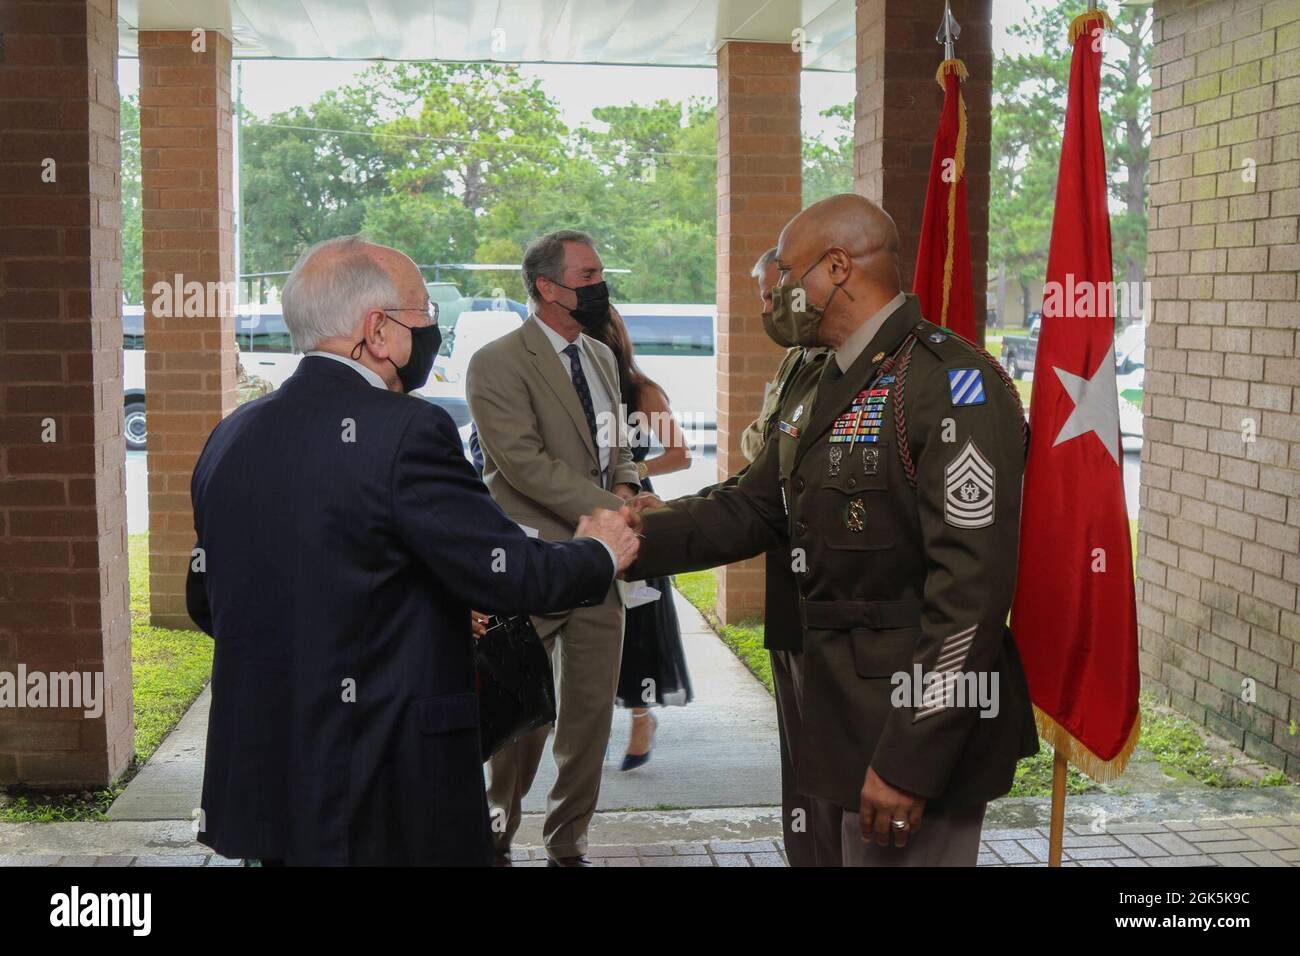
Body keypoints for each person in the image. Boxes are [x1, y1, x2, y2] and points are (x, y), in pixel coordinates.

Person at [187, 235, 639, 867]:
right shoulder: (407, 431)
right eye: (424, 315)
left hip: (271, 774)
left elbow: (210, 601)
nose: (432, 332)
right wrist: (598, 550)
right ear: (377, 331)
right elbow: (506, 573)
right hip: (385, 779)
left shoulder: (230, 436)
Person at [630, 194, 1039, 866]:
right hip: (829, 713)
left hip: (904, 730)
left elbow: (972, 592)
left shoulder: (952, 384)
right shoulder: (813, 375)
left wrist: (912, 758)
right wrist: (630, 538)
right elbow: (758, 504)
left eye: (787, 275)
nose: (778, 291)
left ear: (837, 268)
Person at [466, 229, 641, 867]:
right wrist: (613, 511)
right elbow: (521, 464)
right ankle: (493, 834)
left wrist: (626, 482)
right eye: (588, 275)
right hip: (533, 565)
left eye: (599, 274)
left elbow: (618, 441)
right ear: (547, 287)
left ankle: (569, 842)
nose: (600, 286)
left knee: (590, 718)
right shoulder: (495, 362)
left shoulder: (598, 355)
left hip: (602, 569)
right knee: (521, 719)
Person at [586, 305, 694, 770]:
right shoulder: (570, 388)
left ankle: (640, 716)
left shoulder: (642, 391)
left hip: (632, 512)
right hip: (582, 508)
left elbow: (681, 455)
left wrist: (631, 471)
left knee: (639, 617)